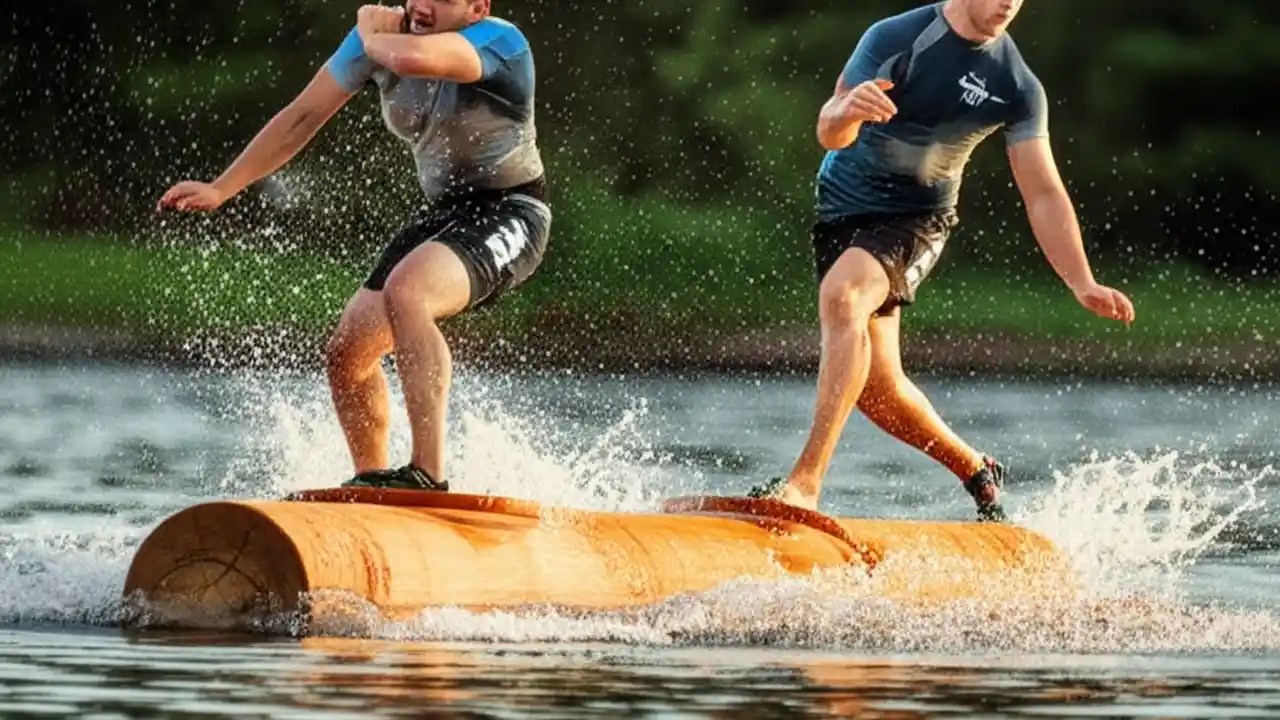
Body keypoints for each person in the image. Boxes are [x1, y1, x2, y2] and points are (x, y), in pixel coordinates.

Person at [748, 0, 1135, 521]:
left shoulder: (1017, 85)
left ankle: (804, 483)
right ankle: (977, 470)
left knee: (842, 297)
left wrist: (1080, 281)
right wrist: (846, 112)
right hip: (841, 214)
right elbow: (830, 130)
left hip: (914, 222)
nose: (1009, 4)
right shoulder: (895, 37)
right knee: (877, 392)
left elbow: (1042, 192)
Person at [157, 0, 550, 492]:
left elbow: (409, 60)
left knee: (408, 292)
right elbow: (303, 115)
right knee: (348, 354)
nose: (422, 5)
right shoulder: (378, 39)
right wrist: (223, 187)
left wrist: (369, 33)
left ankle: (427, 475)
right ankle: (372, 485)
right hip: (441, 217)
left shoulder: (499, 43)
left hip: (511, 210)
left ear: (476, 8)